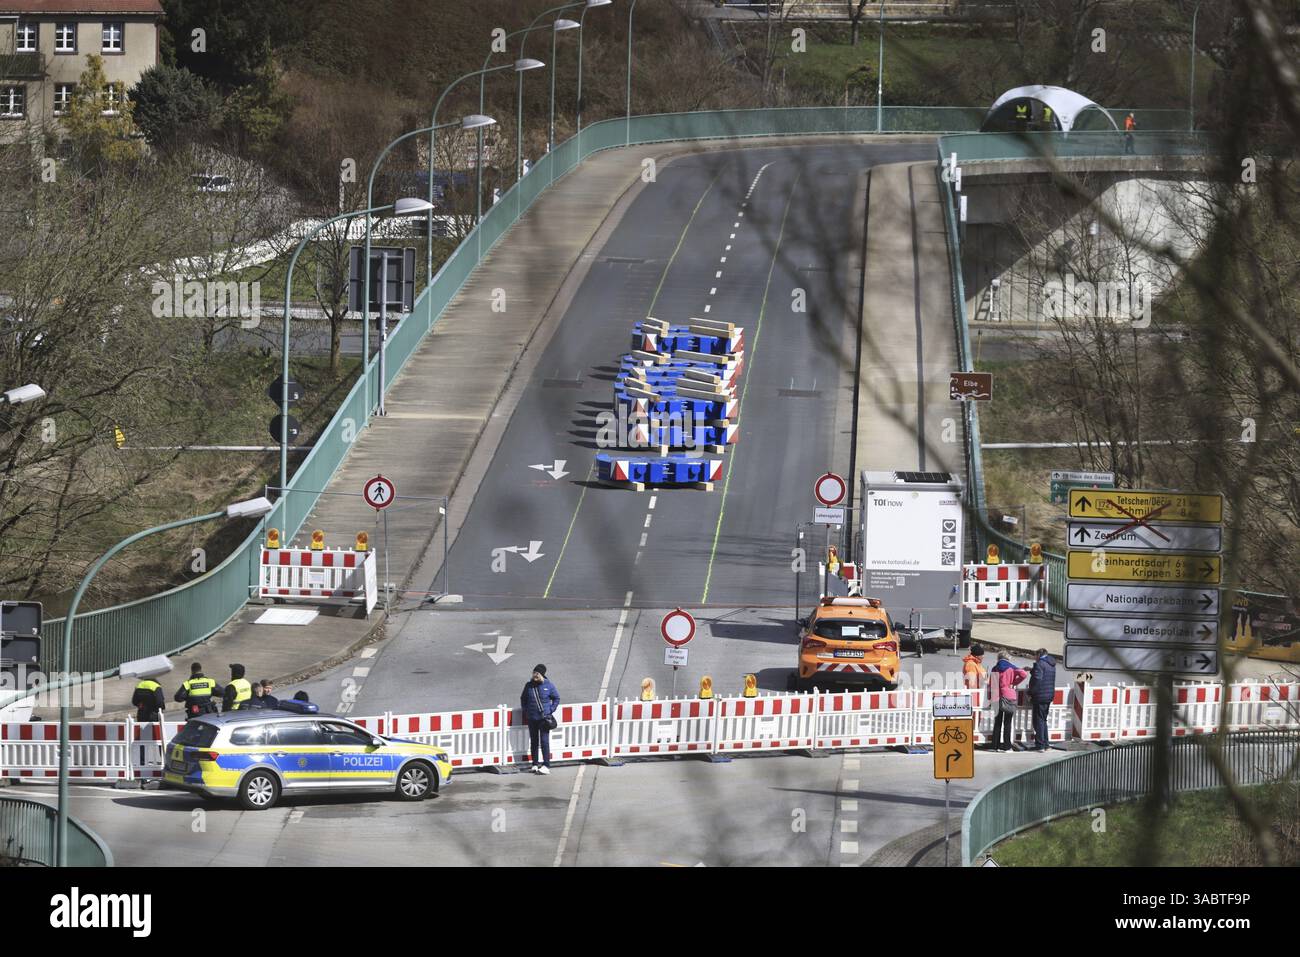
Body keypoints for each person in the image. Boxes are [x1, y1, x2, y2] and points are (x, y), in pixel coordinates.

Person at [520, 664, 560, 774]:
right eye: (534, 673)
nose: (535, 675)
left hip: (544, 719)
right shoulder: (528, 685)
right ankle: (534, 764)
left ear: (542, 674)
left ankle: (546, 765)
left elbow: (556, 698)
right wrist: (526, 710)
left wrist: (551, 710)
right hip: (532, 718)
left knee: (544, 741)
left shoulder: (549, 686)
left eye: (537, 673)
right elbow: (523, 699)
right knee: (534, 741)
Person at [987, 653, 1028, 751]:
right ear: (1007, 659)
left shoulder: (994, 668)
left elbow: (992, 684)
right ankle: (1007, 747)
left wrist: (990, 698)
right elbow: (1024, 674)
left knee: (997, 722)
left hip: (997, 697)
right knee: (1007, 723)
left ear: (998, 658)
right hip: (1009, 696)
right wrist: (1014, 683)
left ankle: (994, 746)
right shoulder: (1012, 668)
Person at [1026, 648, 1057, 751]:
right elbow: (1043, 675)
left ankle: (1040, 745)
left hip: (1040, 696)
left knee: (1038, 721)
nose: (1035, 658)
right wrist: (1032, 670)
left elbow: (1038, 679)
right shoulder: (1051, 664)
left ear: (1039, 655)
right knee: (1043, 720)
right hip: (1048, 696)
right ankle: (1046, 744)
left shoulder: (1040, 664)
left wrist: (1030, 692)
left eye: (1035, 655)